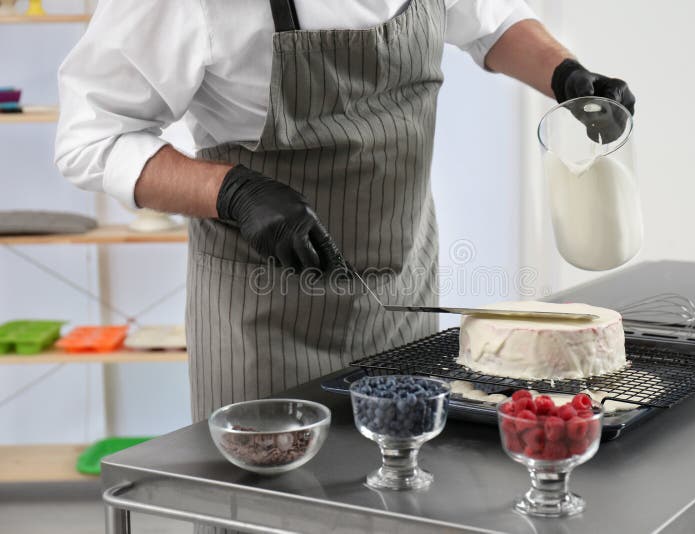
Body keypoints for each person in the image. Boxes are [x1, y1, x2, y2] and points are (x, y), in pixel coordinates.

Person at [56, 0, 635, 426]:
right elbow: (90, 138)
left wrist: (565, 75)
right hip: (263, 320)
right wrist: (232, 191)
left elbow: (489, 19)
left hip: (403, 300)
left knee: (397, 495)